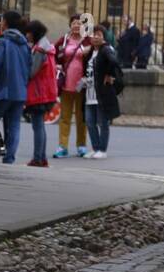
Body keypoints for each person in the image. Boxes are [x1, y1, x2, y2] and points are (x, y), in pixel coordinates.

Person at [0, 10, 32, 164]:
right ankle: (9, 158)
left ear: (6, 23)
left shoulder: (3, 42)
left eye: (2, 20)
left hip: (3, 89)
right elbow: (29, 68)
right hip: (20, 91)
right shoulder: (25, 44)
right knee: (14, 125)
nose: (0, 23)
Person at [79, 25, 122, 158]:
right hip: (89, 92)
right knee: (90, 122)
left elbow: (114, 62)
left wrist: (109, 74)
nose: (95, 37)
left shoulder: (106, 50)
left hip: (101, 93)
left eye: (99, 34)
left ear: (103, 37)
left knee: (102, 122)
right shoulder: (91, 52)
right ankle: (95, 147)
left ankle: (102, 150)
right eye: (93, 34)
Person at [23, 19, 58, 167]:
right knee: (40, 126)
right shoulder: (47, 46)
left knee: (37, 126)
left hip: (39, 92)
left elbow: (32, 72)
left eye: (28, 32)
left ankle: (38, 158)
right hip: (47, 91)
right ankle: (41, 158)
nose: (27, 35)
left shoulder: (39, 50)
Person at [53, 14, 89, 157]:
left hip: (82, 85)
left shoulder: (88, 41)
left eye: (79, 23)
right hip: (66, 83)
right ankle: (63, 146)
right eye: (74, 23)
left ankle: (81, 146)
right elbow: (53, 53)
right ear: (70, 25)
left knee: (82, 118)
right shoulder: (64, 40)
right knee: (65, 117)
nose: (76, 26)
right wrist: (56, 65)